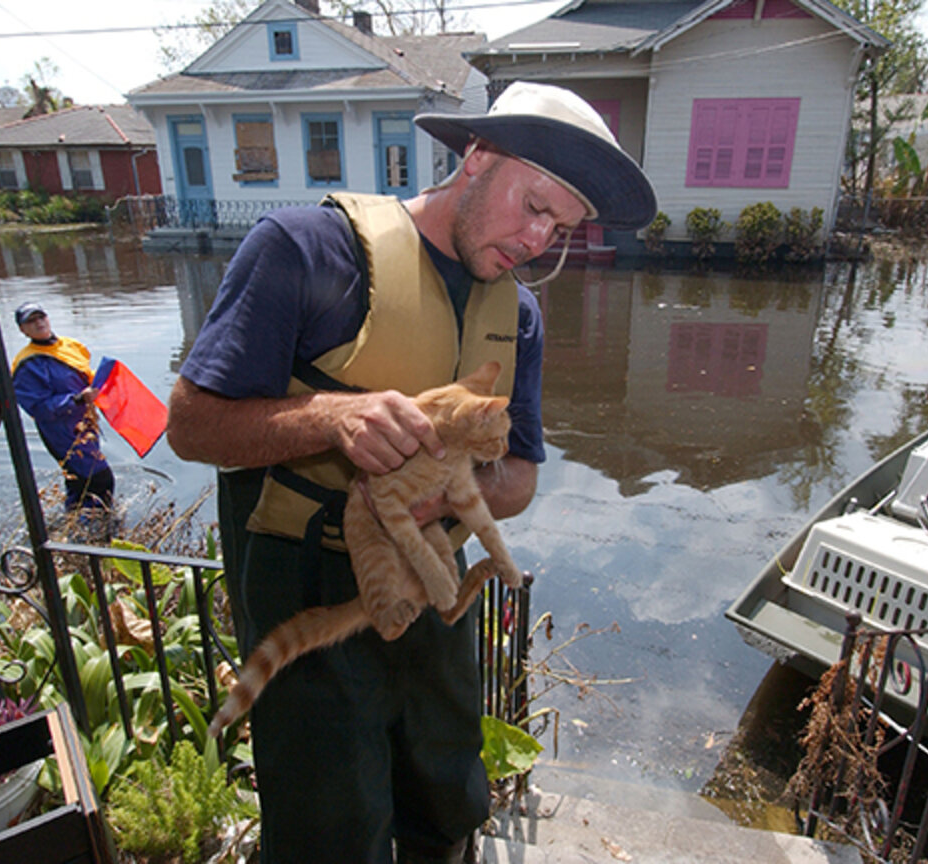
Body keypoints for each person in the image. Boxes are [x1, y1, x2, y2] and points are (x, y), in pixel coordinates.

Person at [166, 81, 656, 863]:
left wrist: (443, 496)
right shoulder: (304, 249)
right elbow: (189, 426)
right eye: (533, 206)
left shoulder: (517, 315)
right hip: (305, 584)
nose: (538, 241)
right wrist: (333, 418)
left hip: (431, 580)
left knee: (447, 790)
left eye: (561, 228)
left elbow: (521, 476)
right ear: (478, 156)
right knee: (330, 824)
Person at [11, 302, 115, 512]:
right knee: (100, 479)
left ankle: (74, 527)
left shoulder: (70, 346)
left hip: (85, 422)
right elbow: (38, 408)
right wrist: (76, 399)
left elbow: (83, 376)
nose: (39, 323)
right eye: (31, 320)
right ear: (22, 330)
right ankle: (92, 529)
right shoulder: (27, 364)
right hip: (60, 430)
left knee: (79, 482)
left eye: (41, 317)